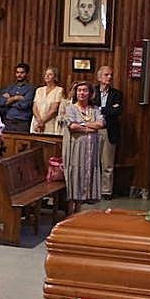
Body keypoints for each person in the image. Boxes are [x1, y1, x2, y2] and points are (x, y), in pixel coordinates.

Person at [59, 82, 105, 215]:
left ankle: (80, 210)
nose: (82, 93)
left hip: (90, 150)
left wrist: (82, 124)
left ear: (90, 93)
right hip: (76, 148)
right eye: (79, 90)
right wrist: (88, 127)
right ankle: (71, 211)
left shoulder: (95, 109)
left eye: (85, 90)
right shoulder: (71, 108)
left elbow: (100, 124)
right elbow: (72, 126)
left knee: (86, 173)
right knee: (75, 173)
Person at [94, 65, 123, 199]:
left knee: (107, 163)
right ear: (99, 77)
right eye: (106, 75)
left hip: (108, 131)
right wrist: (106, 109)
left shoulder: (116, 94)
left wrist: (101, 109)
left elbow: (116, 111)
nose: (110, 77)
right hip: (92, 130)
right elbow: (90, 109)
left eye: (111, 75)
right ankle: (92, 189)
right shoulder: (92, 92)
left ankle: (106, 191)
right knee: (92, 162)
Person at [0, 62, 35, 132]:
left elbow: (25, 105)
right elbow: (2, 102)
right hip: (8, 120)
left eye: (22, 73)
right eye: (17, 72)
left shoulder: (30, 88)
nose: (19, 75)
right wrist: (16, 98)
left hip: (22, 122)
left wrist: (10, 101)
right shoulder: (10, 87)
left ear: (27, 74)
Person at [30, 66, 64, 135]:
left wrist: (42, 121)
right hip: (36, 121)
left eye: (50, 74)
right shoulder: (39, 90)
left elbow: (54, 109)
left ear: (55, 77)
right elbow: (34, 107)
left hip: (49, 122)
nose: (47, 76)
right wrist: (39, 121)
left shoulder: (59, 90)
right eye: (46, 74)